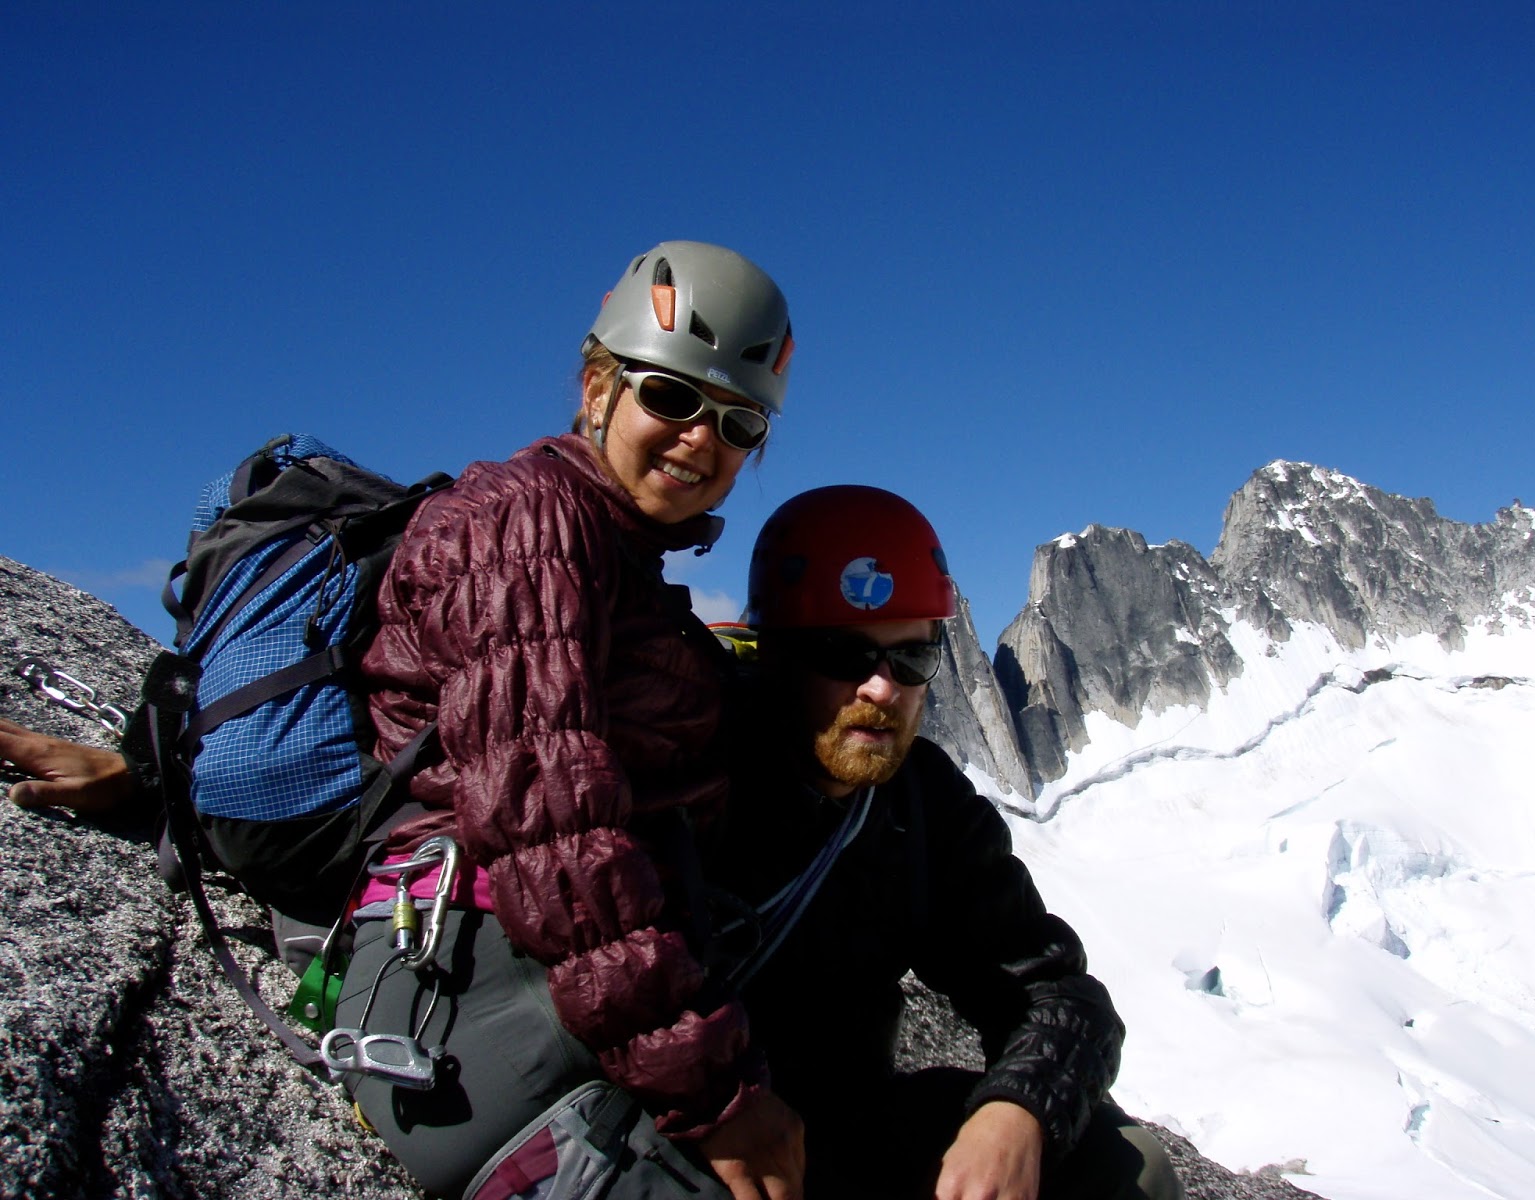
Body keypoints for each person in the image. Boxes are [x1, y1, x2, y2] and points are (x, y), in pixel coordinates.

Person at [4, 240, 809, 1200]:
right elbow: (545, 817)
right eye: (671, 398)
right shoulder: (527, 526)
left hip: (528, 962)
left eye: (737, 420)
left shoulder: (613, 555)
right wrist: (712, 1089)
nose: (701, 439)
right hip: (468, 989)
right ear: (597, 387)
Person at [704, 485, 1182, 1200]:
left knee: (1126, 1166)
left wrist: (1017, 1111)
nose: (882, 687)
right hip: (688, 1142)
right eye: (844, 653)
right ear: (774, 653)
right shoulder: (687, 770)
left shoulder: (920, 801)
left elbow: (1059, 996)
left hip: (842, 1139)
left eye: (912, 659)